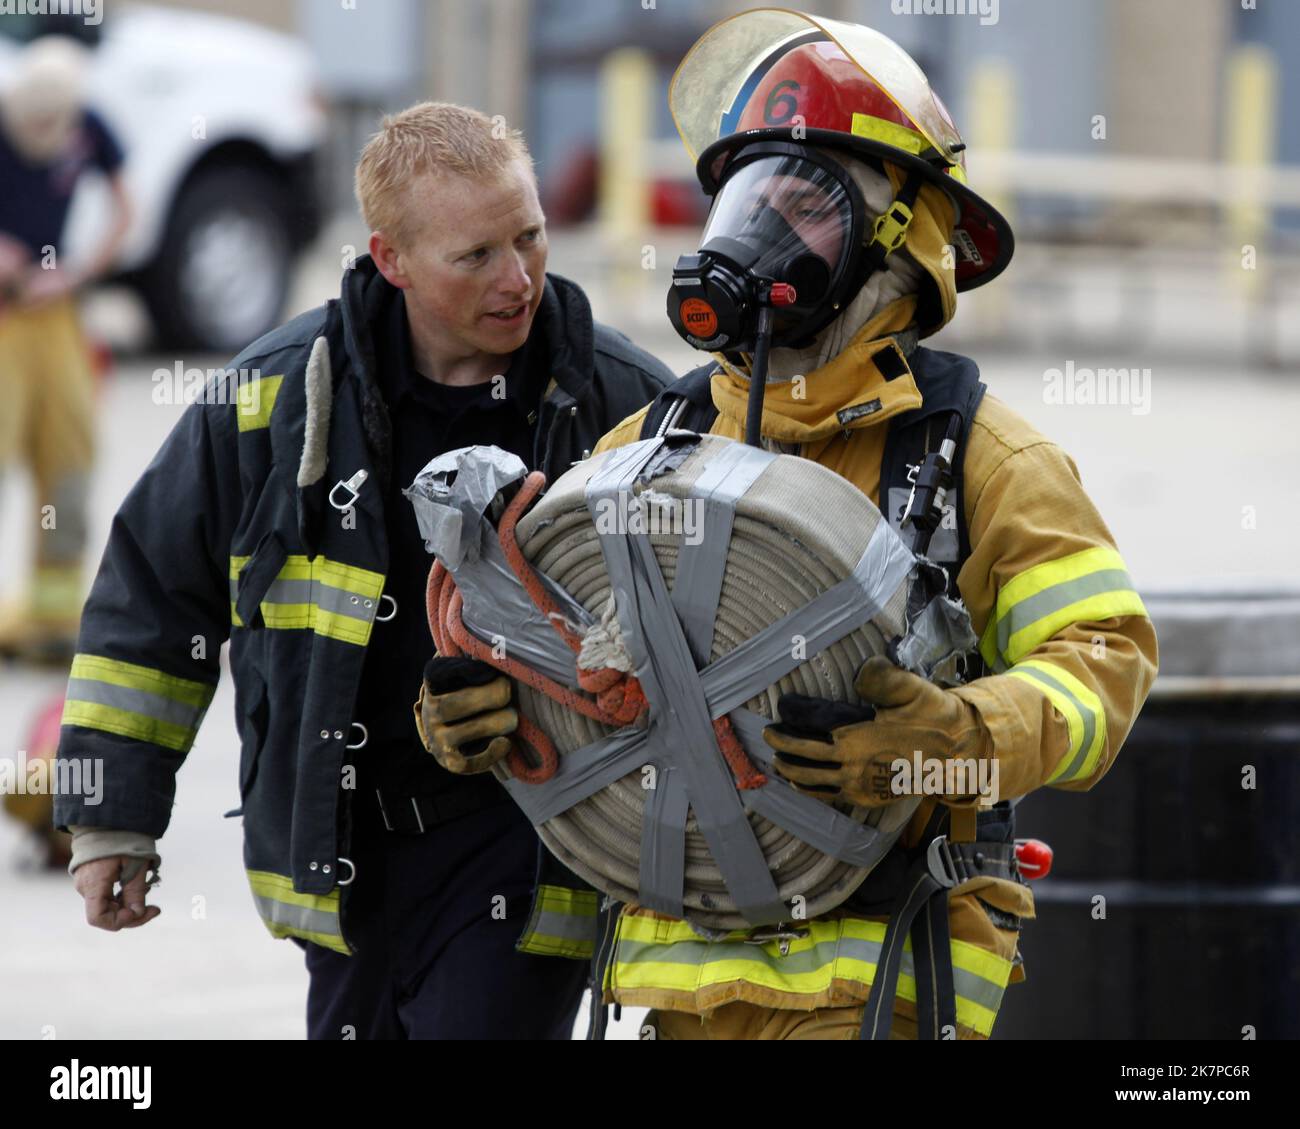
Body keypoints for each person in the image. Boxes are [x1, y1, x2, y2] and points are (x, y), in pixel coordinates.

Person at [425, 12, 1158, 1040]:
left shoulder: (983, 459)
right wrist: (475, 711)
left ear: (899, 243)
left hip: (886, 972)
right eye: (747, 198)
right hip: (681, 986)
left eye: (806, 204)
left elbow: (1105, 671)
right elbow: (572, 654)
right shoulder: (652, 441)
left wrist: (957, 740)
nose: (757, 233)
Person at [54, 101, 673, 1039]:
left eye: (529, 236)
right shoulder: (269, 402)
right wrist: (113, 818)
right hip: (342, 859)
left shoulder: (625, 408)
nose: (518, 278)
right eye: (476, 255)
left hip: (529, 853)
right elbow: (150, 604)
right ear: (392, 259)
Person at [0, 35, 131, 664]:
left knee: (69, 463)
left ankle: (51, 619)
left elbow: (126, 209)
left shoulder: (88, 125)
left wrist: (73, 274)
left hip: (54, 317)